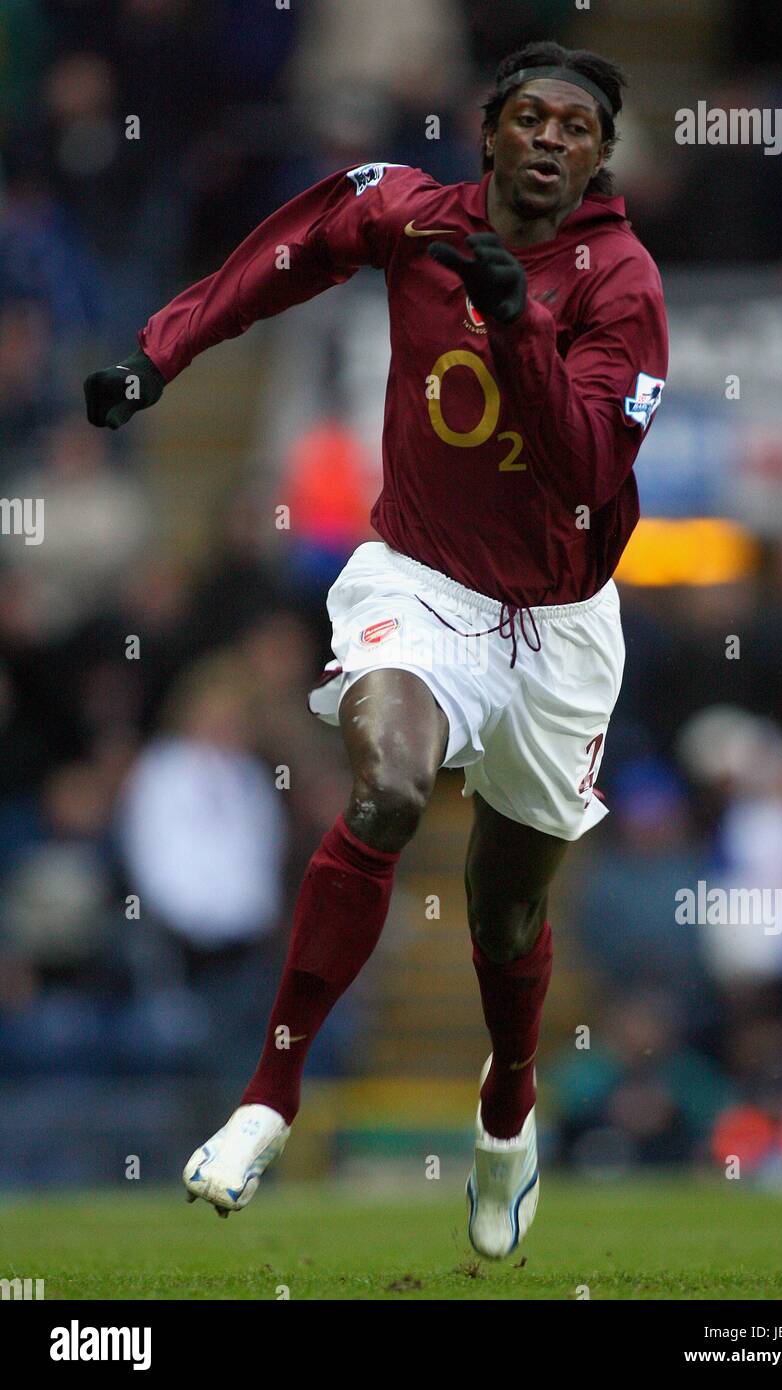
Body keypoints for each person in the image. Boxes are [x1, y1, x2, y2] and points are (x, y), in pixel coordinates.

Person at [84, 40, 668, 1259]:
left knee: (506, 918)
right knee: (390, 786)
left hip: (561, 623)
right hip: (421, 580)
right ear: (489, 129)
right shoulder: (406, 213)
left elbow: (585, 472)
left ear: (599, 157)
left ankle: (507, 1105)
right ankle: (266, 1100)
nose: (551, 139)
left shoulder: (622, 284)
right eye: (531, 118)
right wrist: (157, 353)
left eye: (576, 126)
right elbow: (278, 259)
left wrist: (515, 328)